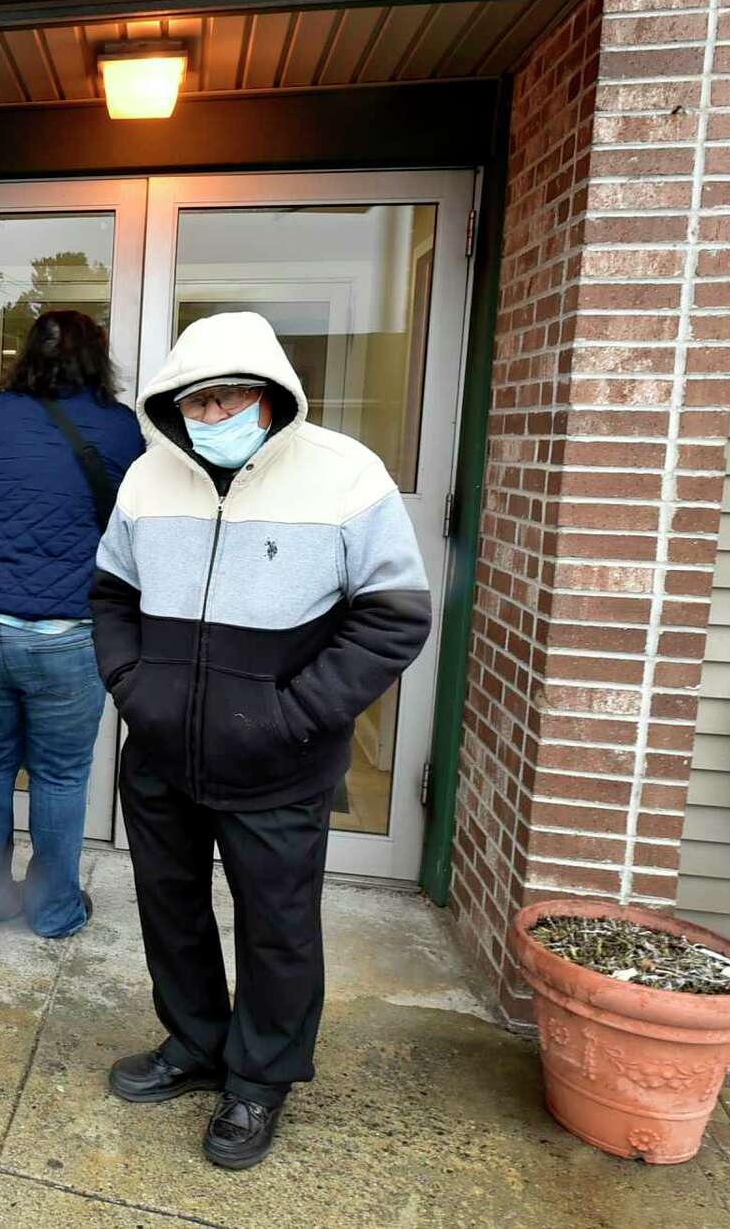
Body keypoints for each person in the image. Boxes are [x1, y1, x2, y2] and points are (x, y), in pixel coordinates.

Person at [90, 311, 431, 1169]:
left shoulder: (347, 477)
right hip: (164, 752)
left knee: (277, 927)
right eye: (197, 402)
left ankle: (260, 1077)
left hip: (281, 760)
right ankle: (197, 1045)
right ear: (174, 407)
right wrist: (135, 689)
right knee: (170, 913)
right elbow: (109, 595)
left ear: (273, 397)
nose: (214, 416)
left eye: (231, 397)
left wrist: (293, 715)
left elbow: (394, 617)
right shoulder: (147, 478)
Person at [0, 310, 145, 939]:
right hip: (71, 634)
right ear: (98, 362)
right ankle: (53, 910)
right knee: (61, 774)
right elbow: (137, 528)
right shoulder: (122, 429)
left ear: (27, 360)